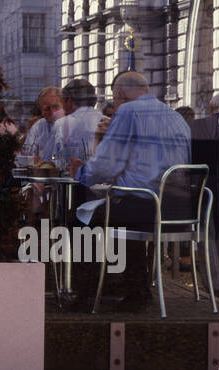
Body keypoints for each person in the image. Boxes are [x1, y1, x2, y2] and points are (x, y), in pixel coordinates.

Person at [68, 71, 191, 312]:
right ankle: (136, 289)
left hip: (143, 206)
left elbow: (107, 164)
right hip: (179, 209)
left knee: (81, 219)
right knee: (121, 214)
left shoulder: (128, 111)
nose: (113, 105)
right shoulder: (177, 118)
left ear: (120, 94)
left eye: (114, 99)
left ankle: (88, 294)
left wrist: (81, 173)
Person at [49, 79, 102, 166]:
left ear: (69, 101)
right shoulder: (108, 121)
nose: (63, 108)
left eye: (62, 102)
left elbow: (54, 160)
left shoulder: (62, 124)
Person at [19, 86, 63, 165]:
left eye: (55, 107)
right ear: (42, 111)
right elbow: (28, 154)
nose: (52, 112)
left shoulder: (71, 125)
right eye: (47, 109)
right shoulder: (38, 126)